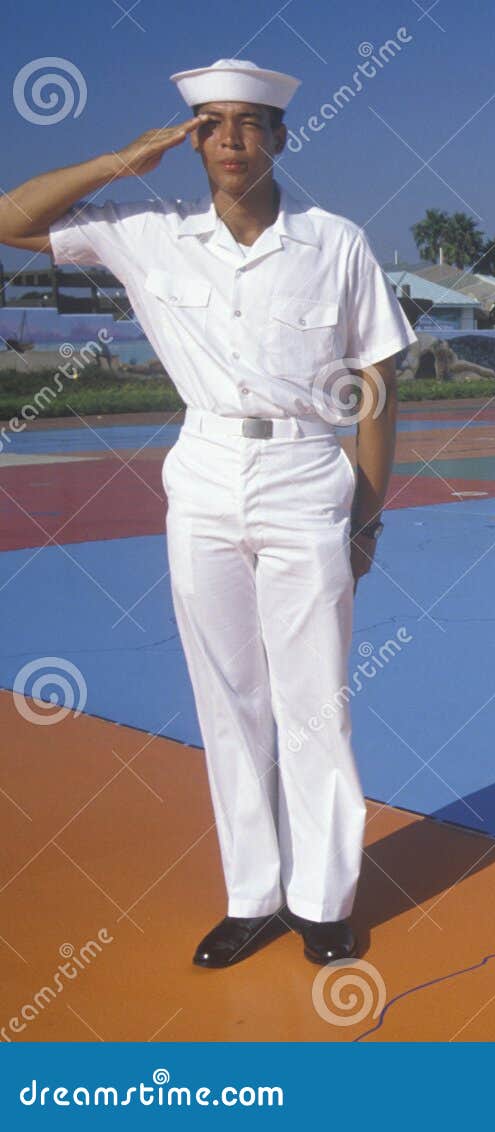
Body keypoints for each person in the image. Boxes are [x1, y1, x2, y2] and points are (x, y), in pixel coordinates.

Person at [0, 59, 416, 968]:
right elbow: (7, 219)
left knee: (312, 701)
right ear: (192, 139)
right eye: (211, 124)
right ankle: (254, 895)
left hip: (309, 468)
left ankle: (324, 900)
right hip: (204, 470)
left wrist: (370, 509)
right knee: (228, 699)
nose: (230, 139)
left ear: (280, 136)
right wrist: (117, 161)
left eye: (249, 122)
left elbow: (377, 381)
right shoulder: (146, 233)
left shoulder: (334, 242)